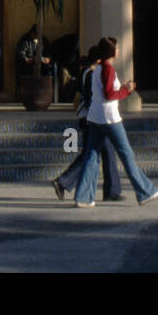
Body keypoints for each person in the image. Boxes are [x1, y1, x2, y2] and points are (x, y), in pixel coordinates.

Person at [73, 36, 158, 208]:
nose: (119, 50)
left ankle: (83, 197)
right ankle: (144, 191)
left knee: (91, 157)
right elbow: (109, 95)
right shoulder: (108, 69)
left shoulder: (97, 68)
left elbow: (104, 92)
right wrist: (126, 90)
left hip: (95, 117)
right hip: (109, 117)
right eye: (117, 48)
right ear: (112, 51)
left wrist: (121, 89)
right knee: (126, 154)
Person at [52, 46, 123, 202]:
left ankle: (65, 182)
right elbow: (93, 99)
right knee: (103, 153)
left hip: (89, 118)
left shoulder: (85, 72)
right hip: (95, 119)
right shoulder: (91, 74)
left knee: (93, 153)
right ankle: (111, 190)